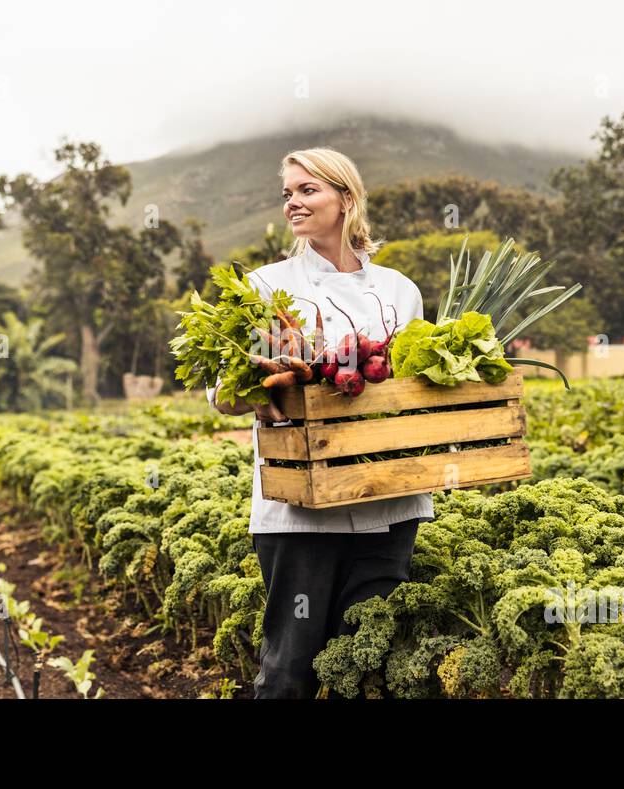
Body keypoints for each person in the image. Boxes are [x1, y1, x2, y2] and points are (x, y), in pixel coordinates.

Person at [207, 147, 433, 698]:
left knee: (361, 670)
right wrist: (259, 387)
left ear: (346, 199)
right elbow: (222, 393)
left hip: (390, 503)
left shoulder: (401, 290)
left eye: (307, 190)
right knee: (289, 673)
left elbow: (414, 390)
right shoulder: (265, 287)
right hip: (301, 508)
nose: (293, 203)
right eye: (288, 193)